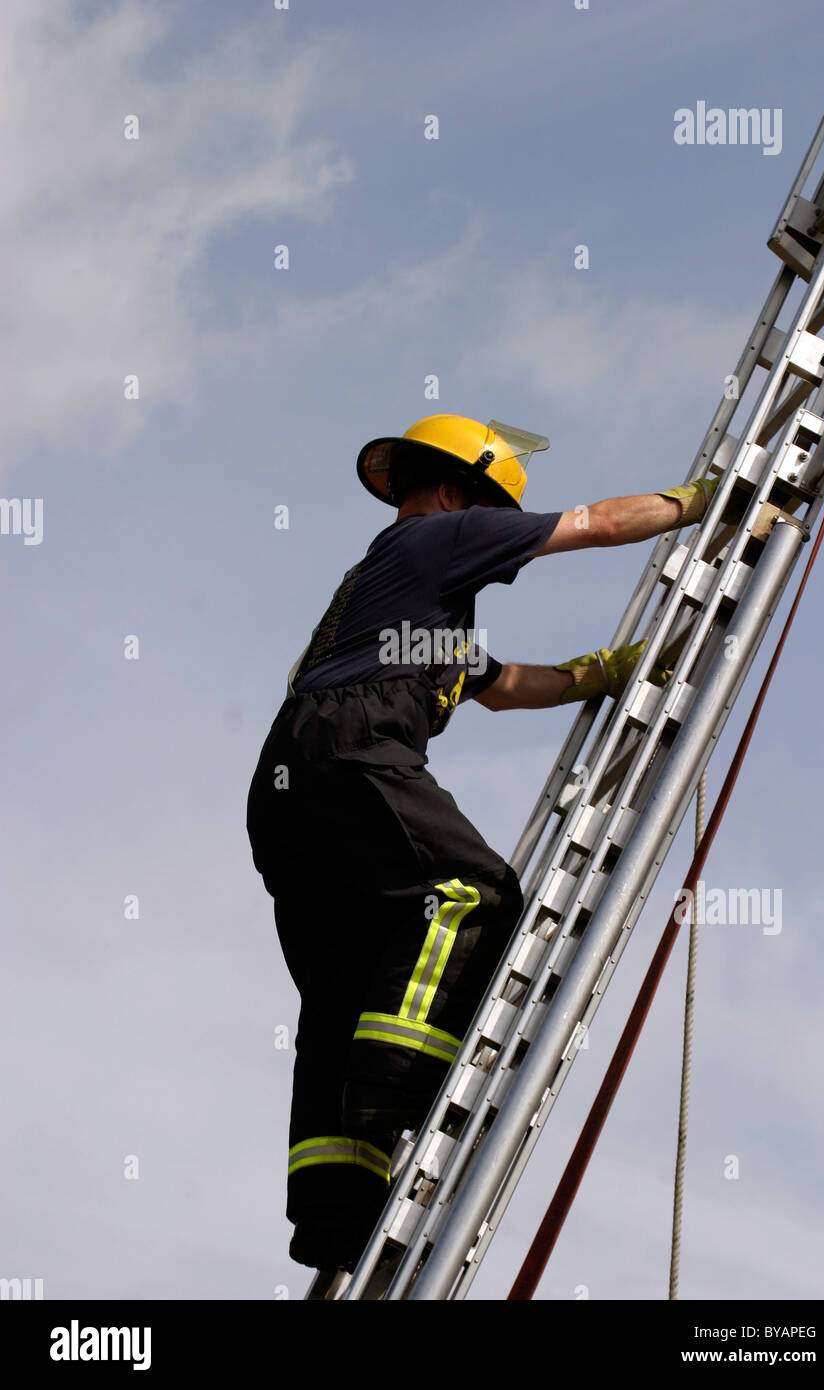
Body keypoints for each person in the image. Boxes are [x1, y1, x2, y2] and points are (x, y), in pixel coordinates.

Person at [245, 412, 730, 1274]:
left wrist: (601, 674)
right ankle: (397, 1086)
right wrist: (702, 502)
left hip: (289, 792)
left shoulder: (406, 603)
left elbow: (502, 687)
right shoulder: (440, 538)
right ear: (454, 493)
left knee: (344, 991)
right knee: (475, 893)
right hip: (348, 751)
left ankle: (334, 1206)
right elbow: (599, 524)